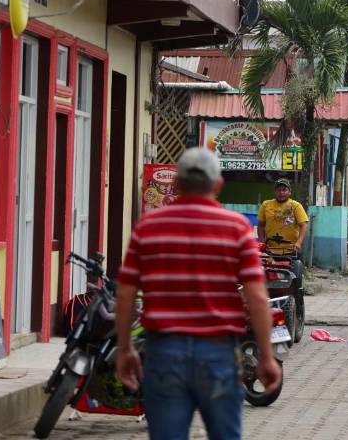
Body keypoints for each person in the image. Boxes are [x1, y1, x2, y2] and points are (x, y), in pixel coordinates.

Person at [115, 148, 280, 440]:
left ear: (176, 184)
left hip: (164, 352)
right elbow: (256, 297)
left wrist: (125, 348)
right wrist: (266, 356)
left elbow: (126, 292)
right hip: (218, 354)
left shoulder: (148, 228)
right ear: (218, 185)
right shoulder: (237, 228)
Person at [258, 178, 310, 256]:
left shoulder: (296, 205)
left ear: (289, 192)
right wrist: (262, 242)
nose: (281, 193)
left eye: (284, 190)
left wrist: (298, 243)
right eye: (278, 190)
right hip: (270, 250)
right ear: (275, 192)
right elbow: (261, 225)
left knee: (295, 267)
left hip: (291, 250)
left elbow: (303, 225)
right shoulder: (266, 205)